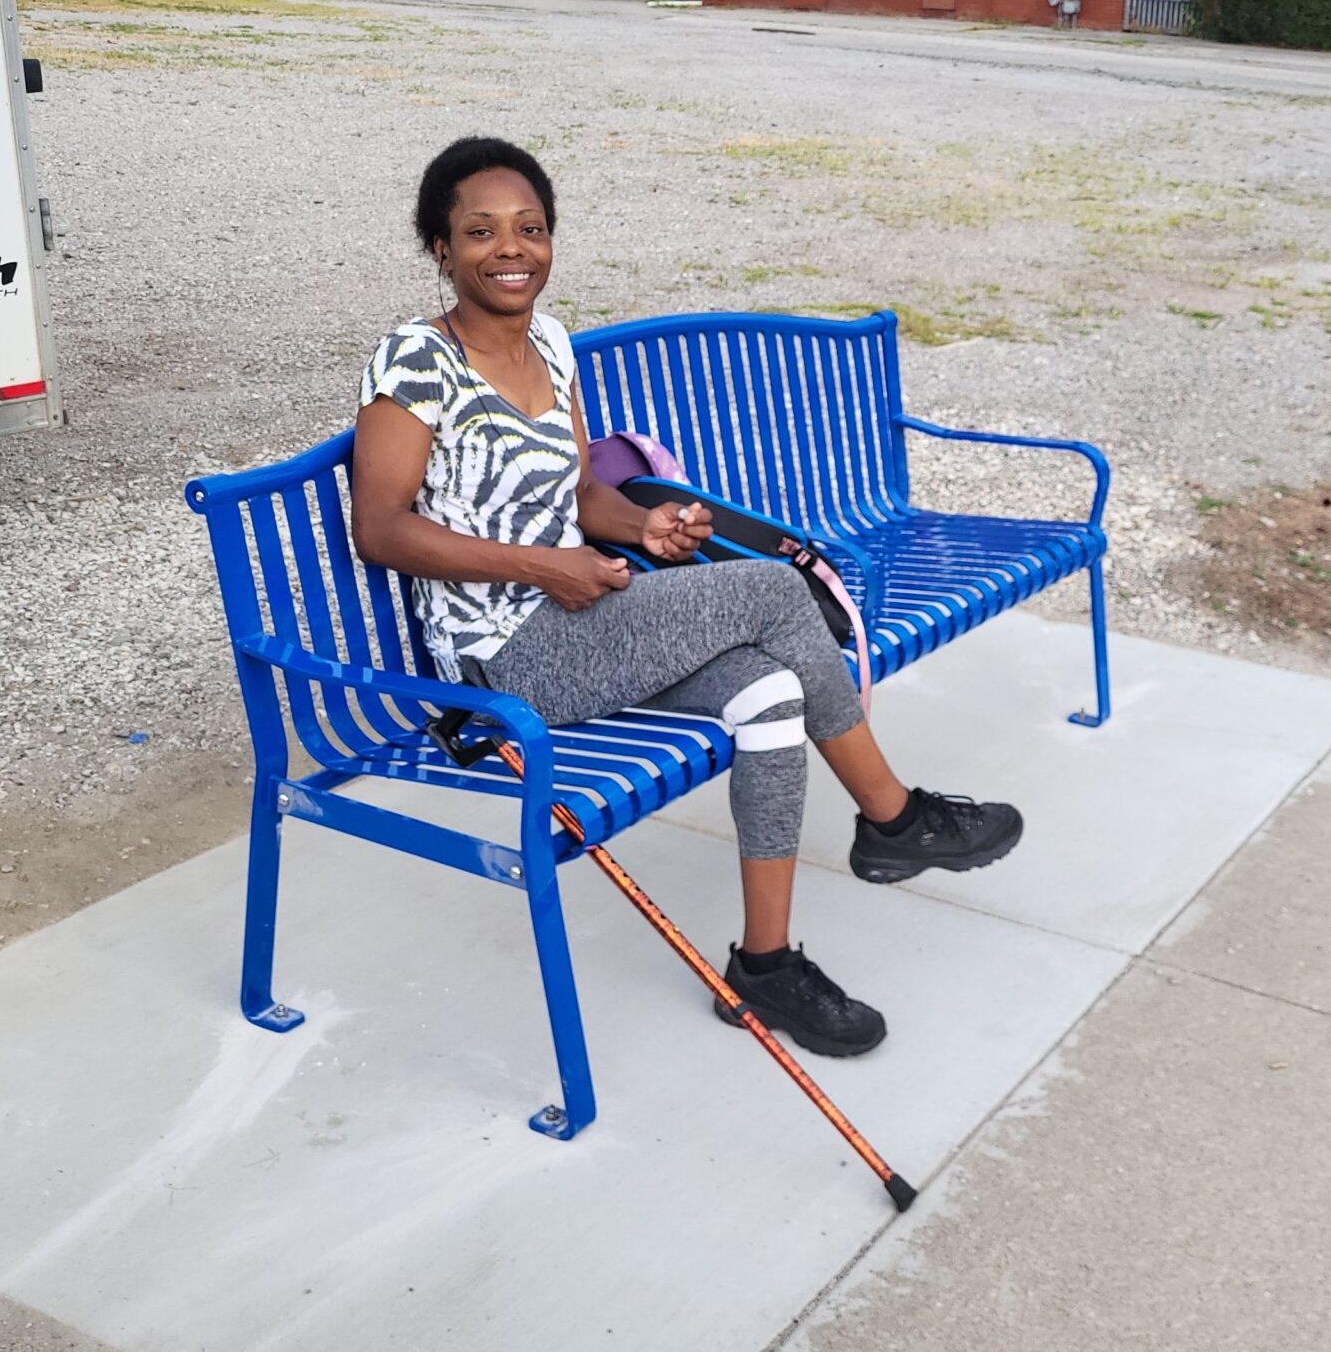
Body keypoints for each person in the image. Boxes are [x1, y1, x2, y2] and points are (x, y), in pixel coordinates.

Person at [349, 136, 1023, 1057]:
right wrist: (549, 568)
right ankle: (893, 819)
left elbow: (580, 495)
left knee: (770, 693)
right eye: (481, 232)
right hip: (503, 656)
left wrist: (641, 529)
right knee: (777, 591)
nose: (512, 250)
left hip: (585, 618)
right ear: (440, 247)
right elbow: (379, 527)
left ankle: (766, 965)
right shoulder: (416, 361)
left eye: (531, 229)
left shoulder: (549, 341)